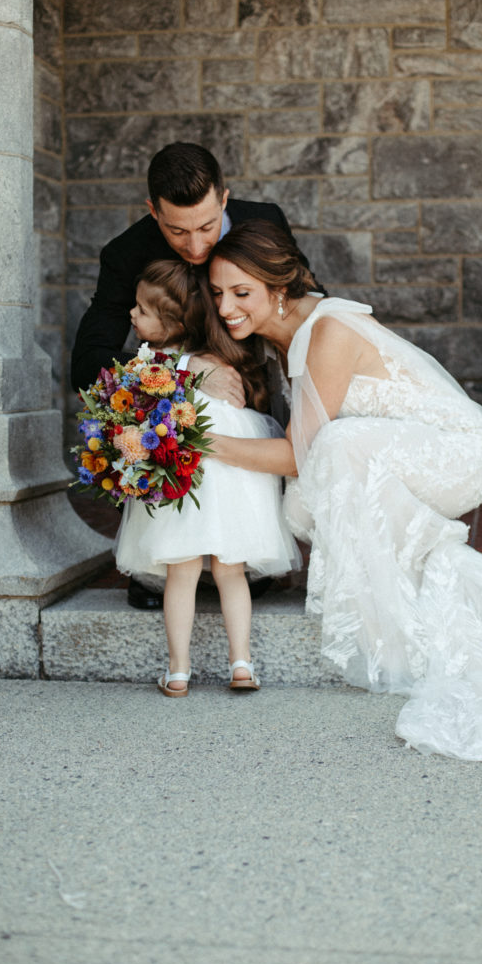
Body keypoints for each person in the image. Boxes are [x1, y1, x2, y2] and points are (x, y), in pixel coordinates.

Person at [203, 219, 482, 778]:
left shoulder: (329, 329)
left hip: (457, 451)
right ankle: (409, 597)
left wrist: (200, 441)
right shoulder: (281, 336)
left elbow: (300, 454)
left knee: (331, 453)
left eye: (241, 293)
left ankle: (398, 615)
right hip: (399, 447)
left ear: (280, 289)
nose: (226, 307)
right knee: (303, 500)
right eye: (218, 294)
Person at [71, 141, 315, 609]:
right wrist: (184, 370)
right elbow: (87, 364)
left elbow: (302, 303)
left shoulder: (264, 221)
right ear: (152, 211)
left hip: (250, 396)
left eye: (206, 226)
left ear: (224, 199)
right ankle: (157, 561)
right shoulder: (125, 253)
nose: (197, 245)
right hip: (167, 414)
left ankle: (244, 551)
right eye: (177, 231)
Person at [114, 258, 301, 694]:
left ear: (169, 321)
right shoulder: (219, 363)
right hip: (231, 482)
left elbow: (133, 411)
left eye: (141, 309)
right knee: (230, 573)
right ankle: (242, 664)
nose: (132, 315)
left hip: (187, 481)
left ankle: (178, 669)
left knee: (181, 573)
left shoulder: (154, 368)